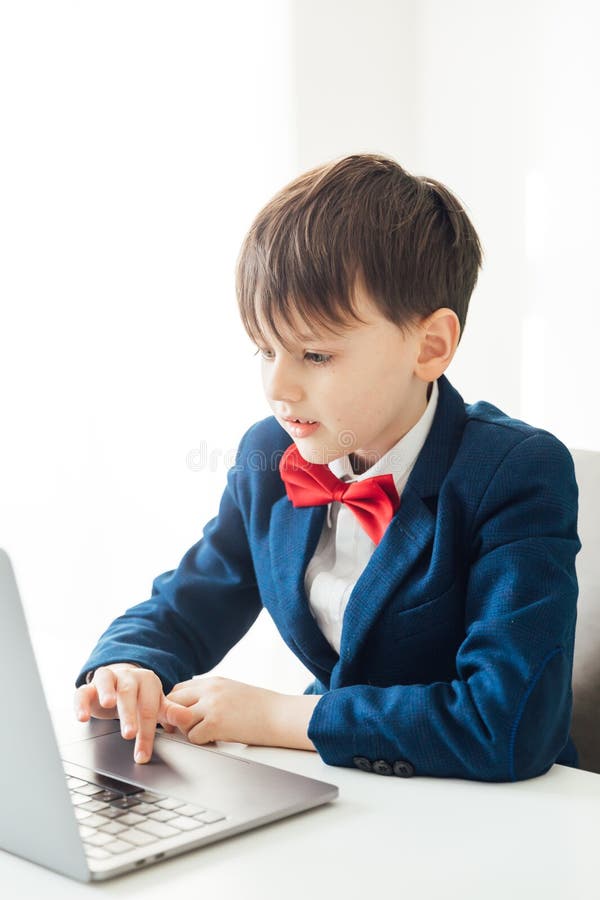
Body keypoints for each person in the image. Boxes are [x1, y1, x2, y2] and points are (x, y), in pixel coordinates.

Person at [74, 153, 580, 782]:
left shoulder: (516, 472)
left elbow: (507, 723)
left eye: (315, 354)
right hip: (350, 792)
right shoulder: (271, 456)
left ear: (430, 347)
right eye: (265, 348)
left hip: (499, 815)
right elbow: (187, 605)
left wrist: (283, 719)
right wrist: (127, 667)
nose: (278, 387)